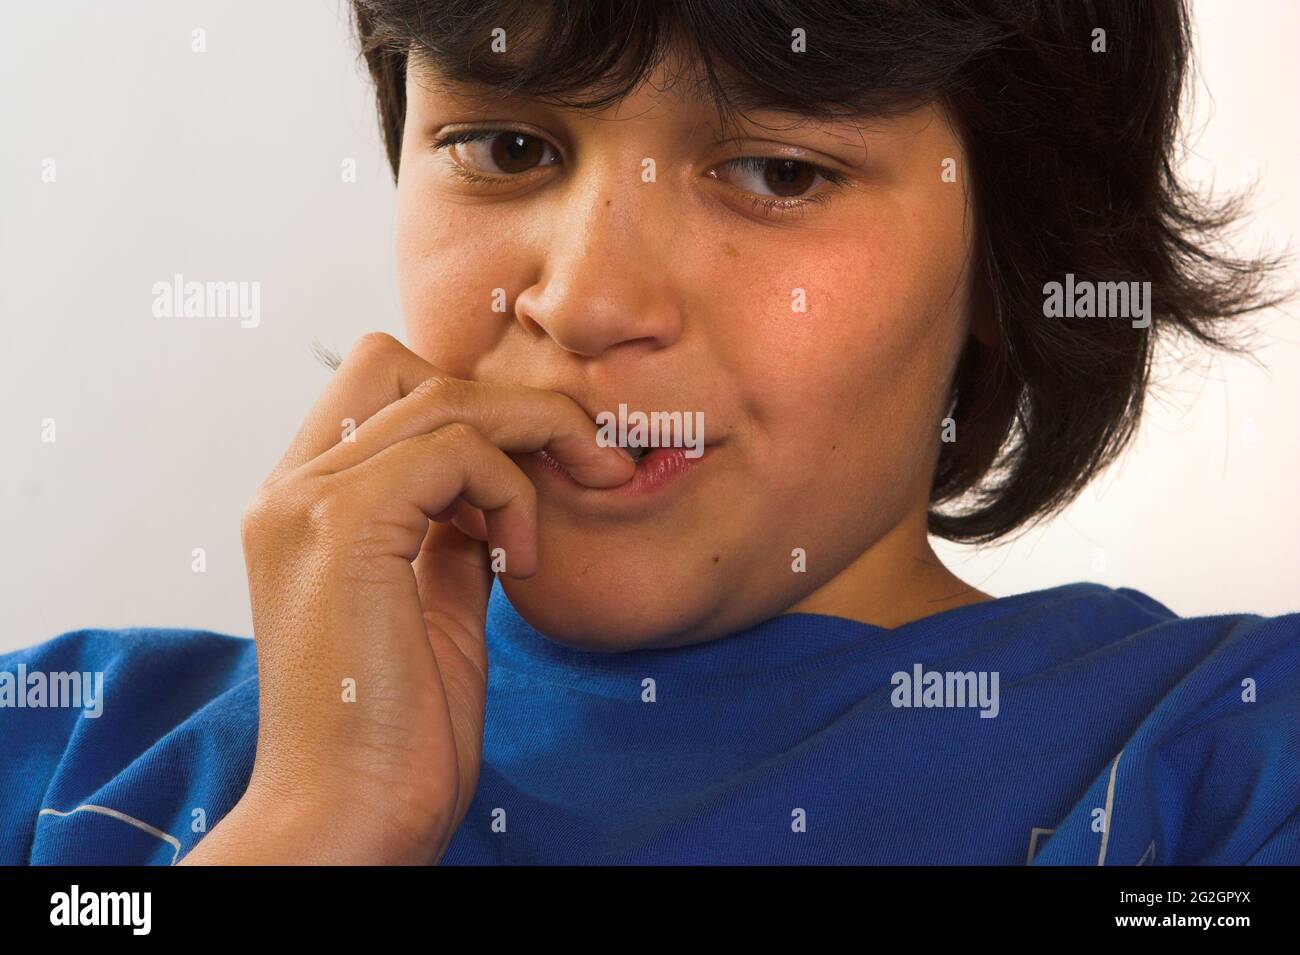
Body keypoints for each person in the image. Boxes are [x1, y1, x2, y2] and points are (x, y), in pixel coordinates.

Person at [2, 0, 1296, 865]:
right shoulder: (59, 744)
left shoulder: (1230, 764)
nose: (585, 299)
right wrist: (303, 828)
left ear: (1012, 260)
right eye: (505, 145)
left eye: (779, 172)